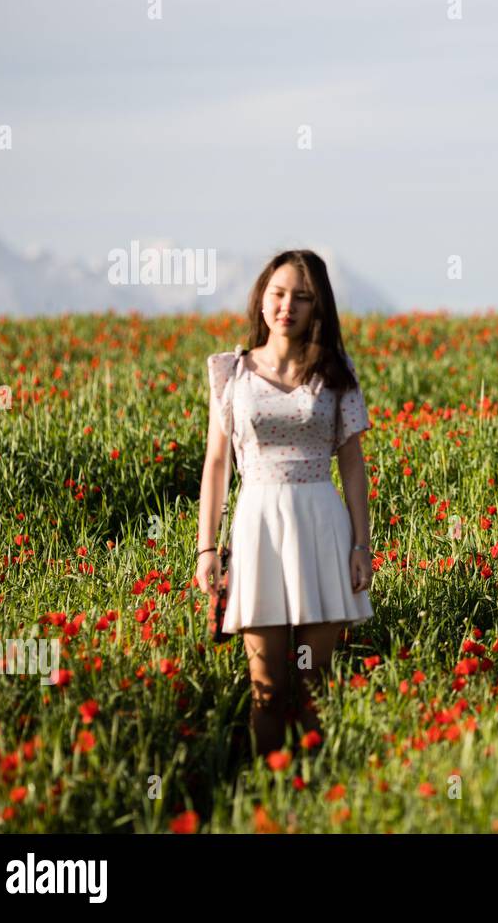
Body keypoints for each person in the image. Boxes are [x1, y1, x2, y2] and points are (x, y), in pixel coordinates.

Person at [194, 249, 374, 757]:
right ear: (261, 298)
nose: (287, 306)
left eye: (302, 297)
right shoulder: (230, 371)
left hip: (322, 525)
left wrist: (362, 544)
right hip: (257, 529)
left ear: (319, 307)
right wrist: (206, 550)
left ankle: (316, 794)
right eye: (278, 294)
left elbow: (353, 465)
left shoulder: (338, 372)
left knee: (314, 686)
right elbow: (216, 464)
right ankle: (266, 795)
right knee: (268, 689)